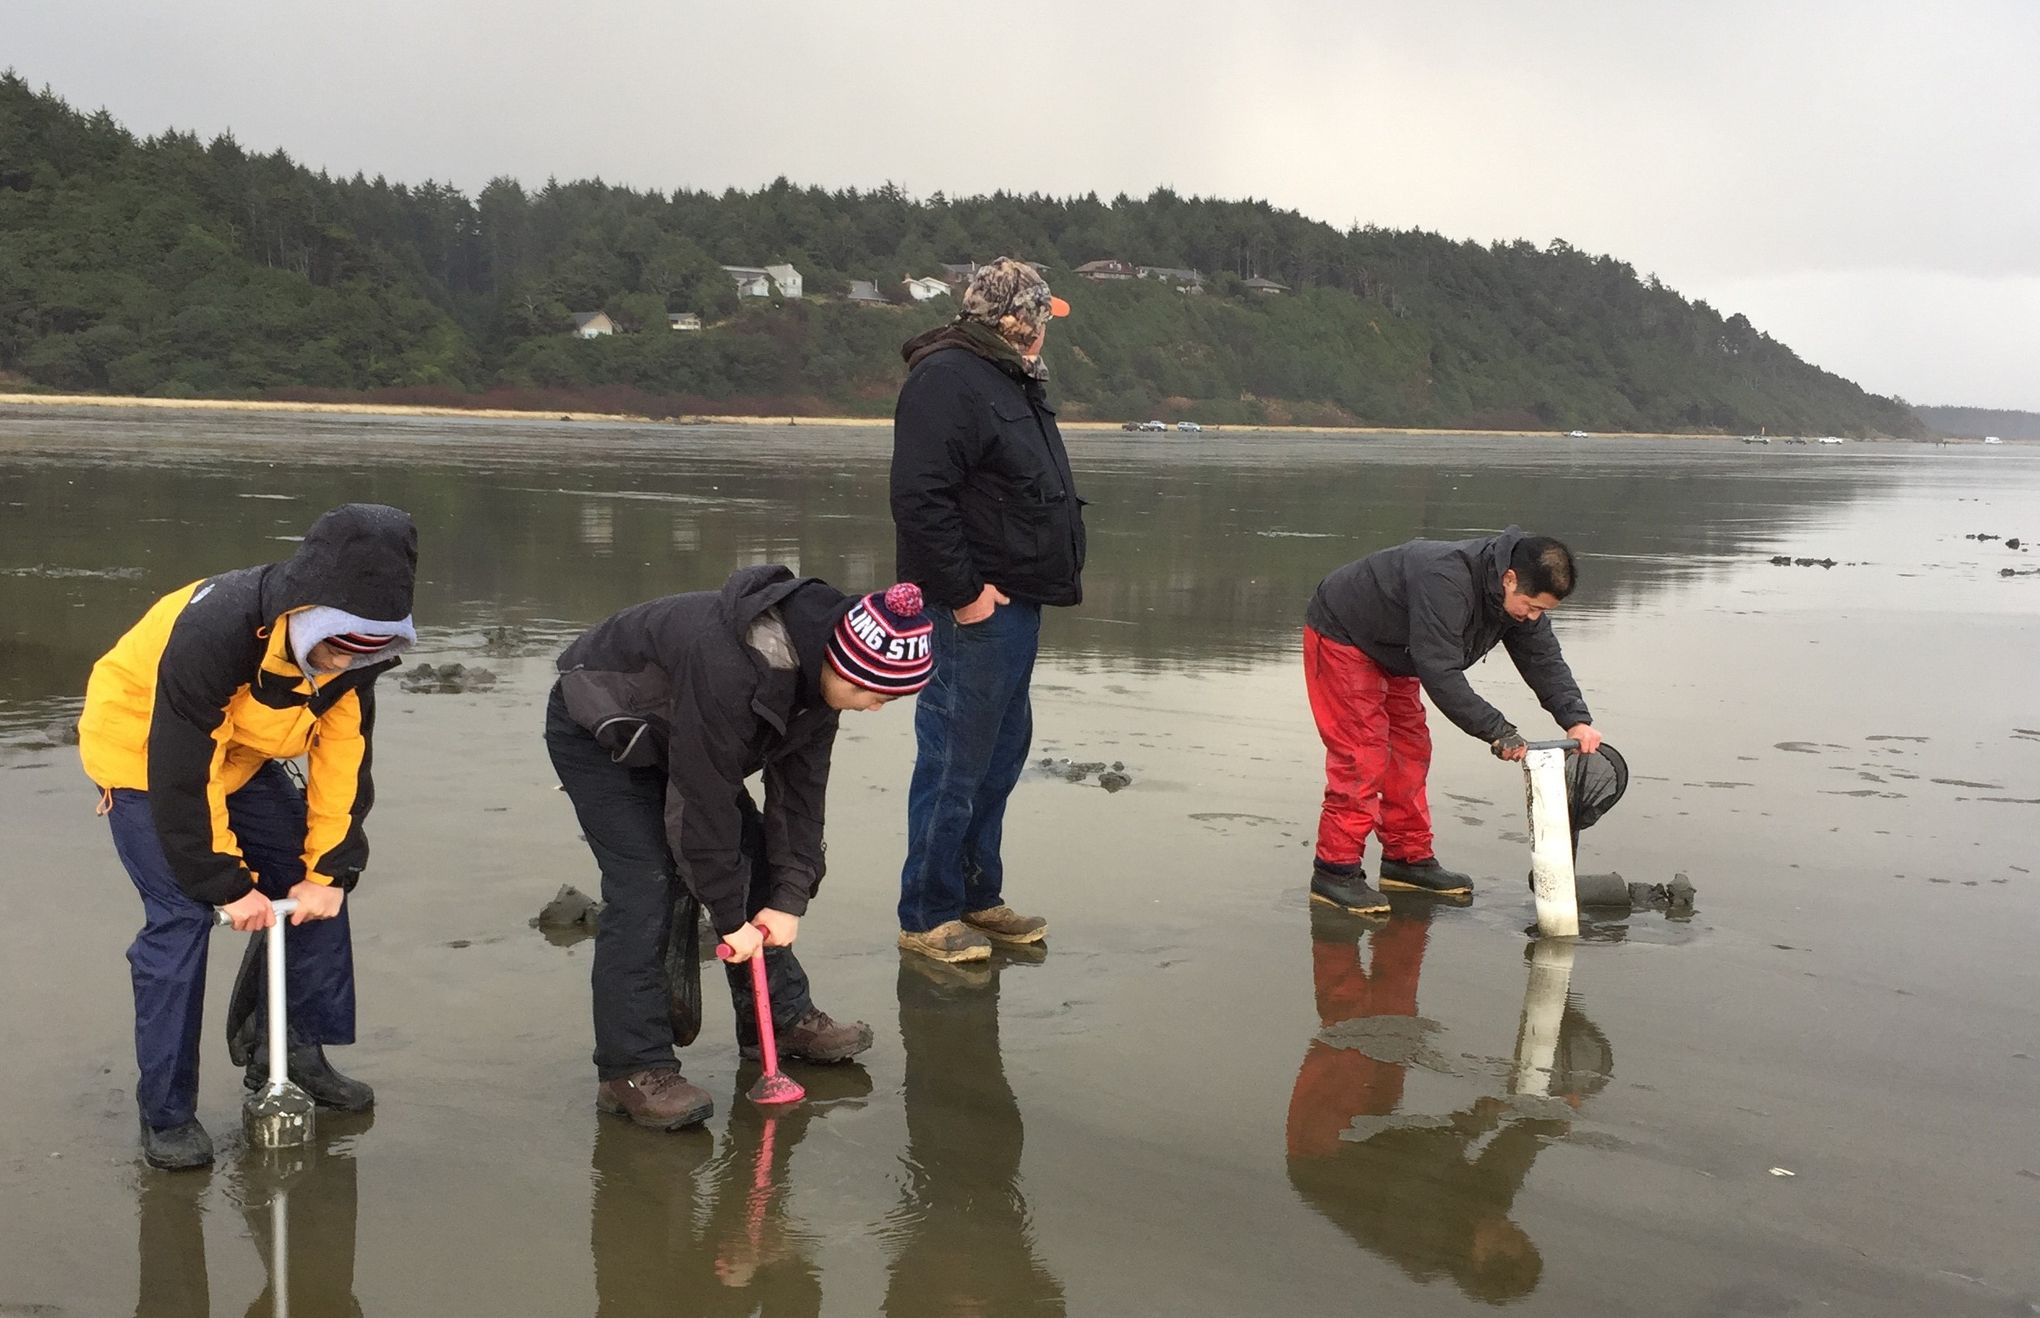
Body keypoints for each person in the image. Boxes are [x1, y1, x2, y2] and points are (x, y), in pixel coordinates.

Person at [79, 503, 418, 1170]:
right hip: (145, 750)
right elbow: (180, 768)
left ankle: (288, 1051)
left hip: (244, 752)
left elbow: (343, 759)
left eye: (367, 654)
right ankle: (167, 1114)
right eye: (338, 649)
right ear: (308, 615)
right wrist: (226, 885)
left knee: (312, 874)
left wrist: (330, 871)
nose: (345, 666)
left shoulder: (359, 656)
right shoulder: (217, 627)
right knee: (181, 915)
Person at [546, 566, 933, 1130]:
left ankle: (780, 1019)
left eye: (890, 698)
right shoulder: (733, 665)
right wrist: (730, 920)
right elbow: (701, 802)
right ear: (840, 664)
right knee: (647, 885)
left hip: (685, 734)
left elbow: (799, 797)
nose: (875, 707)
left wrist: (789, 898)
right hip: (603, 729)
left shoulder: (822, 677)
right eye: (870, 693)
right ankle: (632, 1068)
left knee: (754, 865)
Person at [890, 256, 1085, 964]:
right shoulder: (946, 379)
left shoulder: (1005, 376)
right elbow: (919, 499)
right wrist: (965, 595)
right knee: (953, 761)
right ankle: (928, 914)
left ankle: (977, 895)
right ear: (1016, 321)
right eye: (1043, 316)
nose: (1047, 330)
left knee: (1001, 758)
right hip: (971, 610)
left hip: (1017, 602)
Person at [1302, 527, 1601, 914]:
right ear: (1509, 578)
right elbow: (1439, 672)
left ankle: (1407, 862)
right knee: (1363, 756)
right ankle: (1334, 872)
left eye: (1543, 611)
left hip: (1398, 648)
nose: (1532, 617)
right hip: (1344, 633)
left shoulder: (1517, 600)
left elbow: (1542, 659)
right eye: (1530, 606)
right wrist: (1497, 730)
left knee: (1410, 750)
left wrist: (1575, 719)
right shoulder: (1445, 580)